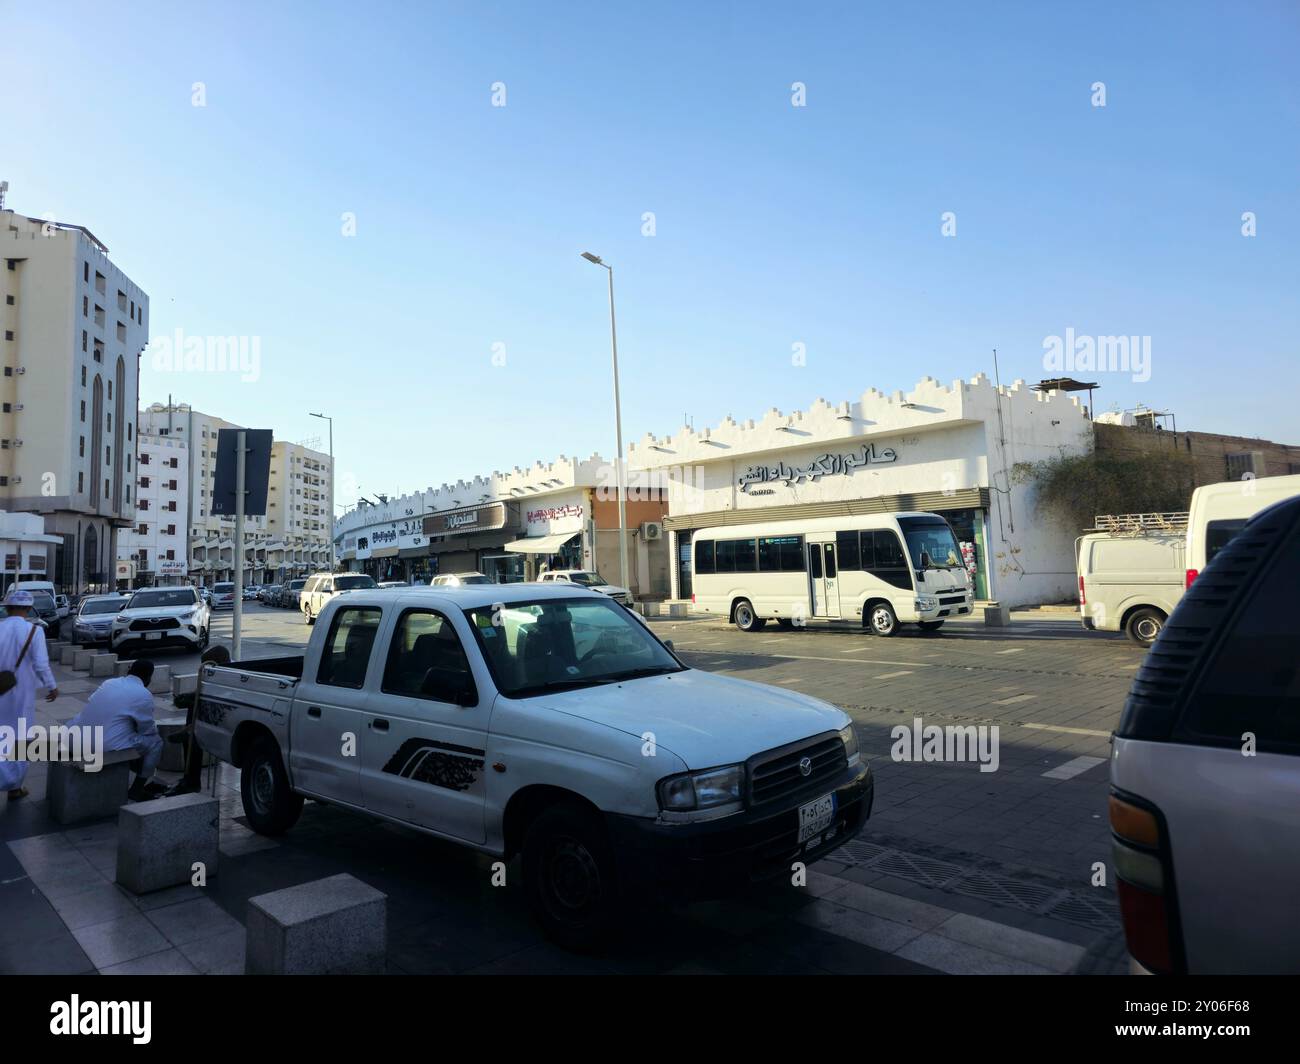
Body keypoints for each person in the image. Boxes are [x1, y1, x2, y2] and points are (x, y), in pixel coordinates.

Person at [66, 659, 167, 802]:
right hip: (100, 747)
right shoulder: (143, 694)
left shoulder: (109, 683)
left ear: (129, 670)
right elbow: (147, 731)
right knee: (155, 742)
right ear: (148, 678)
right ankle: (136, 790)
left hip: (73, 738)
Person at [0, 590, 58, 800]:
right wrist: (52, 686)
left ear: (7, 608)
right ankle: (14, 787)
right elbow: (41, 665)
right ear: (28, 608)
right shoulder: (34, 632)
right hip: (21, 693)